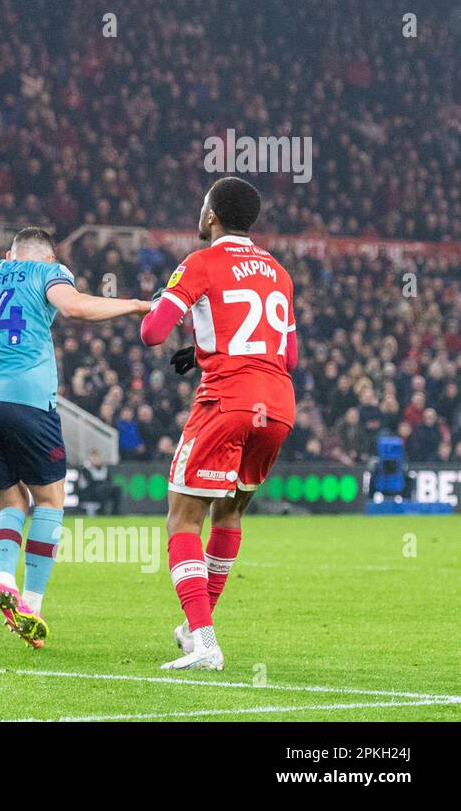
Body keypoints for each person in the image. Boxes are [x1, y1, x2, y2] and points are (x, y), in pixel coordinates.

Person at [0, 227, 150, 648]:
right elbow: (76, 308)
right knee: (49, 501)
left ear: (9, 254)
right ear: (48, 258)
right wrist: (133, 305)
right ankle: (31, 603)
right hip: (25, 399)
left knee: (10, 503)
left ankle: (4, 579)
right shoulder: (47, 273)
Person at [140, 176, 297, 670]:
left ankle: (205, 642)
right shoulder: (279, 272)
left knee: (183, 518)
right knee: (229, 515)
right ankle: (194, 629)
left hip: (226, 401)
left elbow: (152, 332)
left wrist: (189, 323)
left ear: (211, 216)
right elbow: (288, 355)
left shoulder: (201, 262)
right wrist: (208, 345)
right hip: (277, 406)